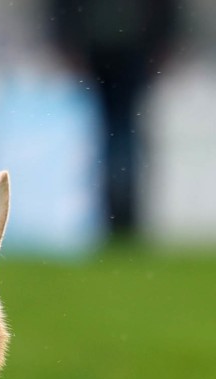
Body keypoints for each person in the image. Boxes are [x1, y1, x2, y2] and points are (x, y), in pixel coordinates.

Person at [47, 0, 180, 236]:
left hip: (104, 47)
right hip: (129, 47)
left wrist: (66, 40)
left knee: (113, 136)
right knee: (123, 134)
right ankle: (122, 213)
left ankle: (116, 213)